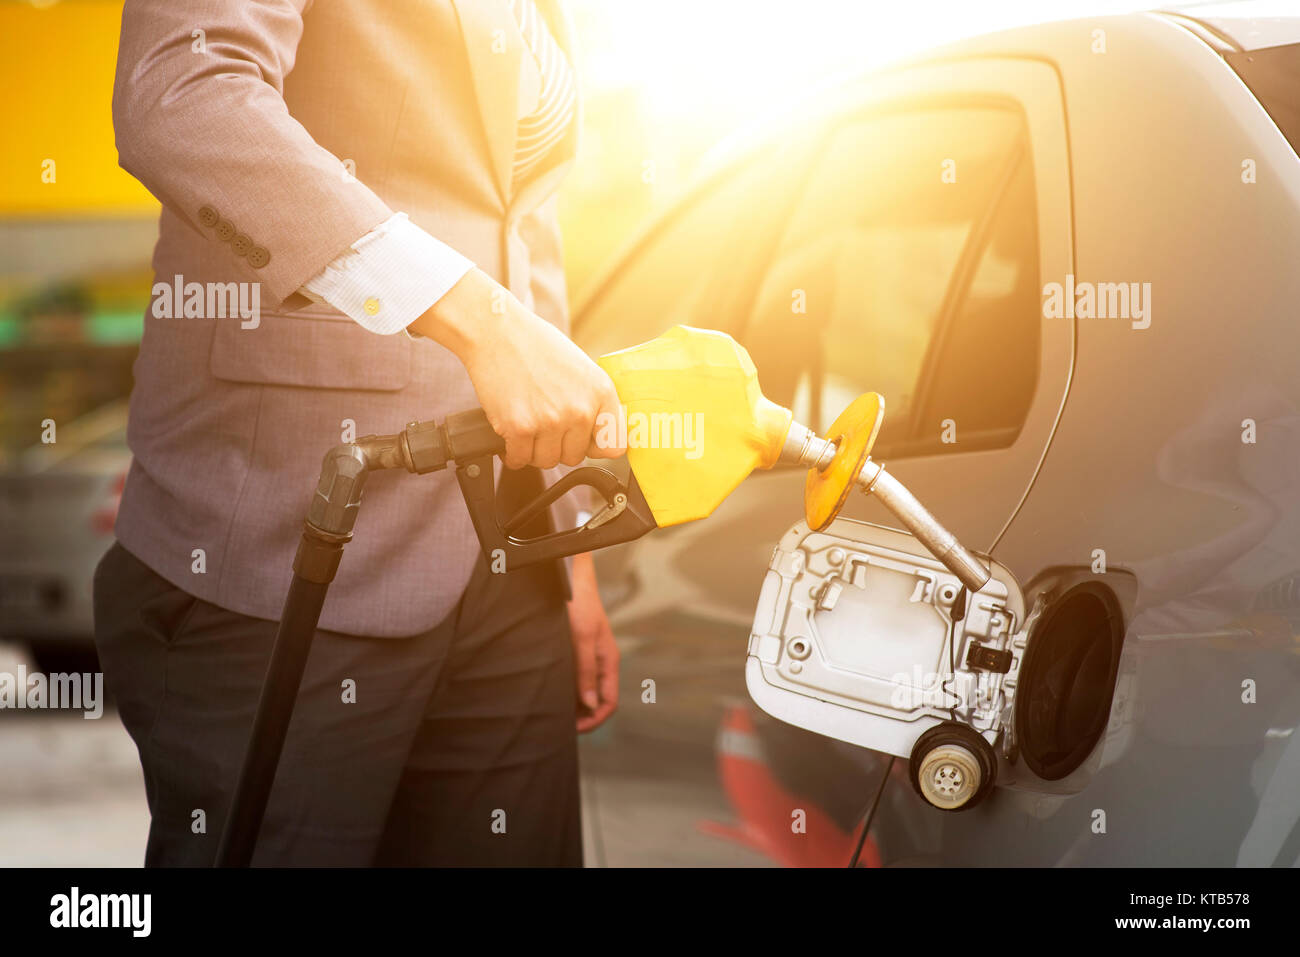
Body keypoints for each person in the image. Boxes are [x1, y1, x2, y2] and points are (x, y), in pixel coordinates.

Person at [94, 0, 624, 866]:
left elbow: (518, 232)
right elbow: (184, 92)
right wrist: (478, 321)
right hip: (288, 539)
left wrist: (567, 548)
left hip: (504, 563)